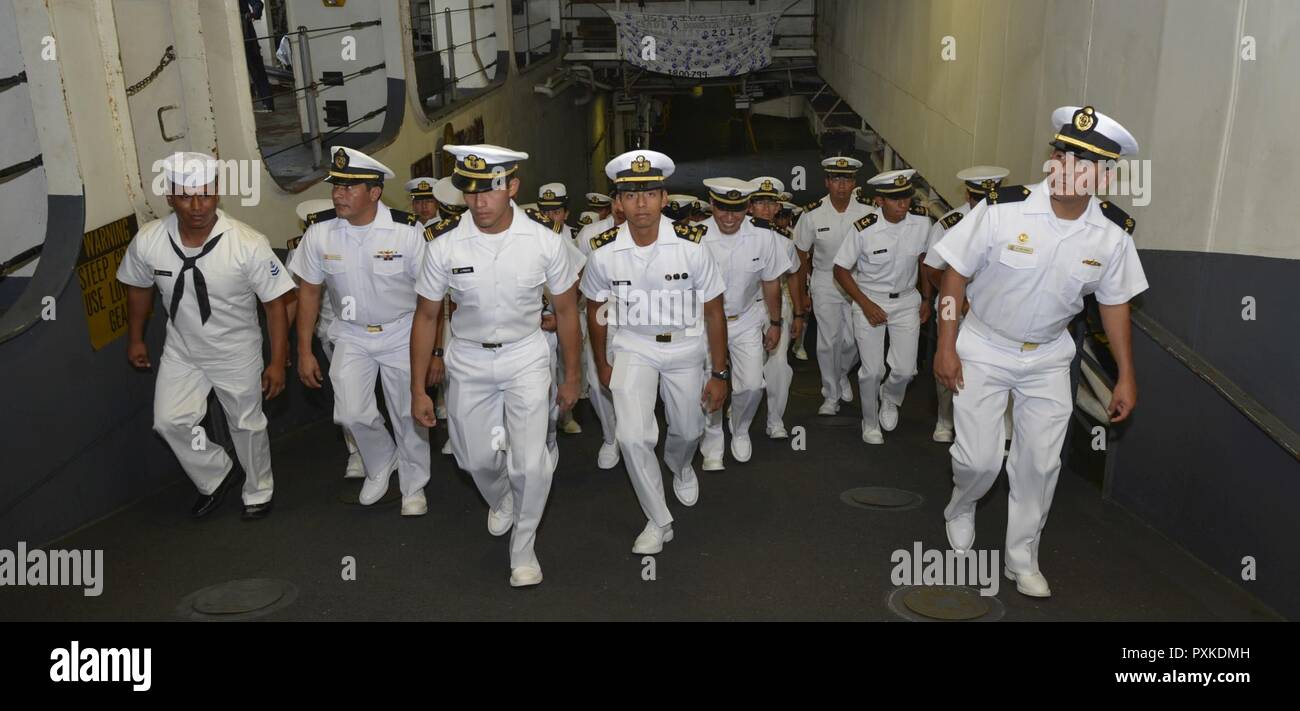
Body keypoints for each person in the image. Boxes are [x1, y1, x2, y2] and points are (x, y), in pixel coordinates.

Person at [932, 105, 1148, 597]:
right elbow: (955, 274)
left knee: (1040, 464)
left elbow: (1114, 305)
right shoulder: (1002, 207)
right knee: (980, 460)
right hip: (983, 346)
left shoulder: (1112, 234)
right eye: (1065, 155)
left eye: (1087, 163)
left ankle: (1021, 556)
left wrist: (1126, 374)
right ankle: (962, 503)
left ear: (1104, 175)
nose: (1072, 169)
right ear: (1053, 158)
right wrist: (946, 346)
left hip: (1049, 357)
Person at [411, 144, 582, 588]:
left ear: (512, 187)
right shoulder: (444, 245)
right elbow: (428, 316)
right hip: (467, 359)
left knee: (530, 464)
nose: (478, 201)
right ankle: (502, 498)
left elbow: (566, 311)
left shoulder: (544, 240)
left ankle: (523, 548)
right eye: (470, 192)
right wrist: (417, 389)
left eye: (489, 190)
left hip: (525, 355)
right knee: (474, 459)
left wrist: (573, 377)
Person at [117, 151, 293, 520]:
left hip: (235, 350)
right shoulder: (149, 240)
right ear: (170, 196)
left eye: (206, 195)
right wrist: (135, 337)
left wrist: (278, 361)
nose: (197, 206)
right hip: (182, 350)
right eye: (185, 196)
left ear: (217, 194)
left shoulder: (248, 244)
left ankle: (258, 490)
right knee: (169, 421)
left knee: (246, 424)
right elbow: (138, 288)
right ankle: (216, 473)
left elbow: (277, 304)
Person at [579, 150, 728, 555]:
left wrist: (720, 373)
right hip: (633, 345)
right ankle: (658, 519)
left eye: (649, 194)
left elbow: (714, 311)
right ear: (618, 203)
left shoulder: (692, 246)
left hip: (684, 345)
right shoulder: (603, 251)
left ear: (664, 198)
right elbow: (595, 308)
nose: (640, 204)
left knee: (688, 430)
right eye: (630, 195)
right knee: (632, 437)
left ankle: (679, 466)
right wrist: (603, 362)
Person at [289, 146, 431, 517]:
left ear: (375, 192)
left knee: (407, 412)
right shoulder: (320, 234)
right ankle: (381, 461)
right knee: (350, 413)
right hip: (350, 333)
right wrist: (303, 350)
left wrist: (435, 352)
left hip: (403, 330)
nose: (338, 194)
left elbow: (432, 298)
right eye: (337, 186)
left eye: (350, 187)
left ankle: (414, 486)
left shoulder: (407, 232)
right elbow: (308, 292)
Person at [833, 169, 933, 444]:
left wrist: (926, 299)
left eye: (906, 198)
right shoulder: (863, 228)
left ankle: (889, 398)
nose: (903, 204)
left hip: (907, 301)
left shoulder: (922, 224)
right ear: (879, 201)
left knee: (905, 370)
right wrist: (864, 304)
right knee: (872, 370)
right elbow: (840, 269)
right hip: (869, 299)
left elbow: (924, 262)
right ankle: (870, 422)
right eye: (895, 199)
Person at [695, 178, 789, 468]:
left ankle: (740, 427)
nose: (729, 216)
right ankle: (712, 438)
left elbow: (771, 282)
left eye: (736, 209)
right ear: (711, 204)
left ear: (747, 207)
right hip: (703, 323)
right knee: (709, 383)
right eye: (722, 208)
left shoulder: (764, 237)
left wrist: (775, 323)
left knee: (751, 385)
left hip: (746, 319)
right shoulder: (693, 236)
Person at [921, 166, 1014, 444]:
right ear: (968, 195)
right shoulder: (950, 224)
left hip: (996, 314)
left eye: (989, 198)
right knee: (950, 361)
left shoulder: (1012, 222)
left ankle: (1000, 430)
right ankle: (944, 418)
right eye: (978, 199)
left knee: (1000, 369)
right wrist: (960, 302)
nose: (983, 205)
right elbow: (933, 269)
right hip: (956, 310)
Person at [285, 198, 364, 479]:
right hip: (329, 335)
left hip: (359, 330)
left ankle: (389, 450)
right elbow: (295, 298)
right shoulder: (298, 254)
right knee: (345, 395)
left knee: (363, 398)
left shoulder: (349, 245)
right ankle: (356, 451)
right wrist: (289, 344)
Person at [793, 156, 874, 414]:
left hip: (857, 280)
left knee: (855, 340)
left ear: (854, 183)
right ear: (827, 182)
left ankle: (840, 373)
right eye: (836, 179)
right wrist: (806, 288)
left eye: (847, 179)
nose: (842, 185)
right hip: (825, 279)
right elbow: (801, 253)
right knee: (829, 341)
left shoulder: (868, 212)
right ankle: (831, 394)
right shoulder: (812, 214)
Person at [748, 177, 805, 439]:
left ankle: (775, 419)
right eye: (760, 202)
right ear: (749, 206)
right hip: (745, 308)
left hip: (777, 306)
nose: (767, 209)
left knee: (779, 364)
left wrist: (799, 313)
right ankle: (740, 412)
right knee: (748, 367)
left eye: (771, 203)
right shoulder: (738, 234)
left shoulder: (784, 239)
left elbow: (793, 275)